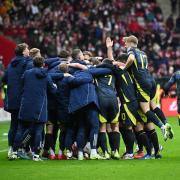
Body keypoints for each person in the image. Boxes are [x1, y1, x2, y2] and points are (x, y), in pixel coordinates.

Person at [9, 56, 63, 161]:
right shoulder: (46, 75)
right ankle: (36, 155)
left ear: (33, 64)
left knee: (20, 129)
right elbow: (53, 90)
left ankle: (14, 152)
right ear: (43, 64)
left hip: (25, 105)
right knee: (38, 130)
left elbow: (22, 85)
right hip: (40, 106)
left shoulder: (26, 74)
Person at [122, 35, 173, 140]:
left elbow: (131, 58)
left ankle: (162, 127)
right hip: (152, 81)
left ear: (130, 44)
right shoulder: (143, 53)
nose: (125, 45)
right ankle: (166, 123)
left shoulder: (131, 50)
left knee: (146, 109)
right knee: (154, 106)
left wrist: (124, 68)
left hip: (142, 82)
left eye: (125, 43)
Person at [2, 43, 31, 158]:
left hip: (11, 99)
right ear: (23, 52)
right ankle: (16, 150)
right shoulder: (26, 63)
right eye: (27, 49)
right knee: (22, 126)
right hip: (22, 98)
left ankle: (11, 149)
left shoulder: (10, 64)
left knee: (13, 125)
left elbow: (4, 79)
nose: (28, 50)